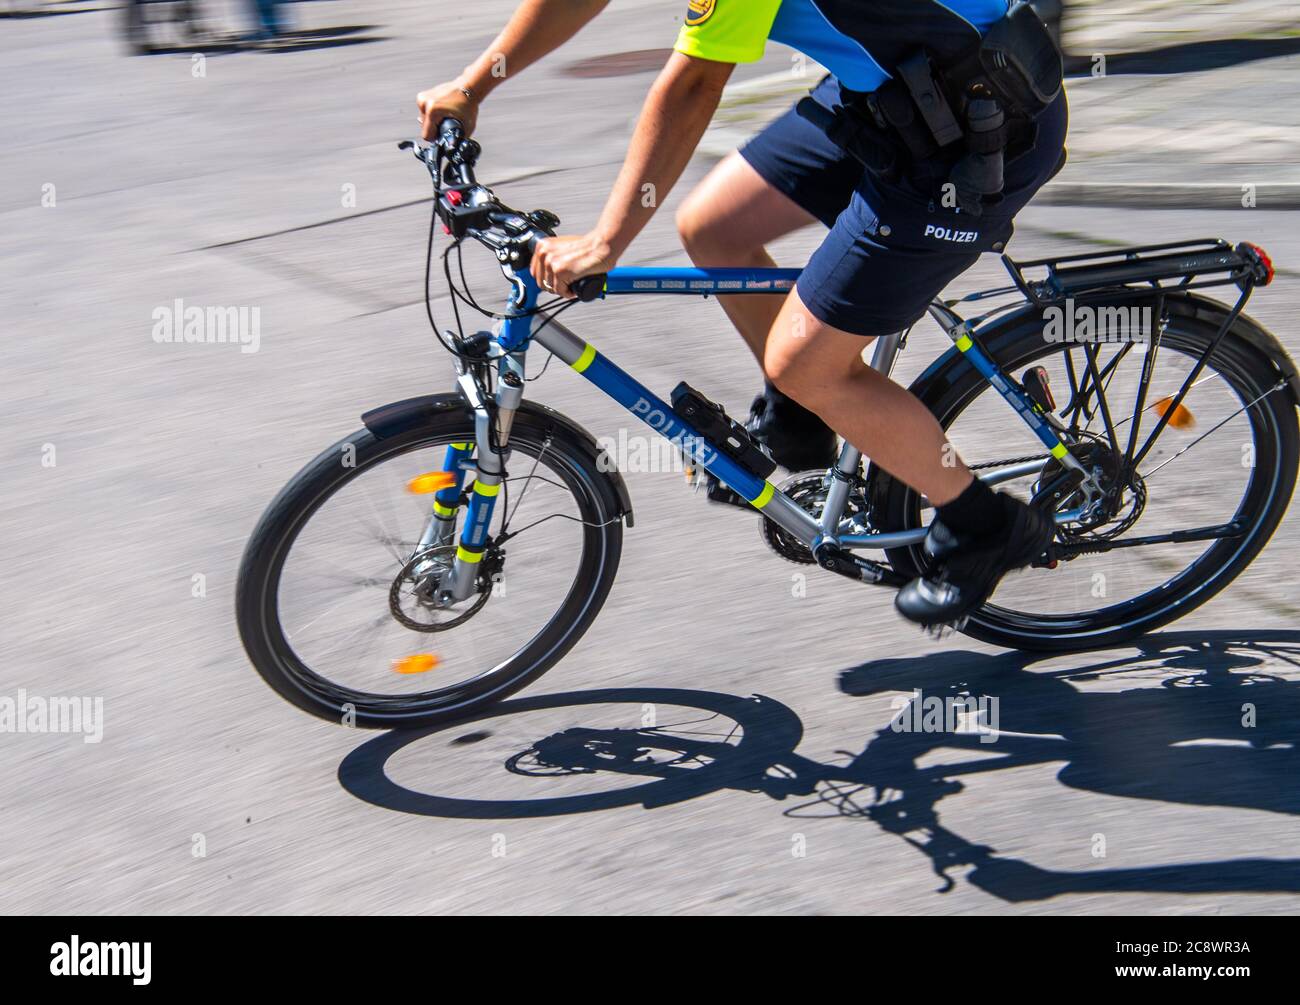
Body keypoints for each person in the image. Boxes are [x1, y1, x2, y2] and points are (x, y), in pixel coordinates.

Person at [415, 1, 1066, 629]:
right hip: (898, 95)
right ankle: (806, 423)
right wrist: (472, 87)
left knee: (804, 363)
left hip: (977, 128)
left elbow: (695, 82)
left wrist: (605, 243)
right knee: (712, 228)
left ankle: (985, 523)